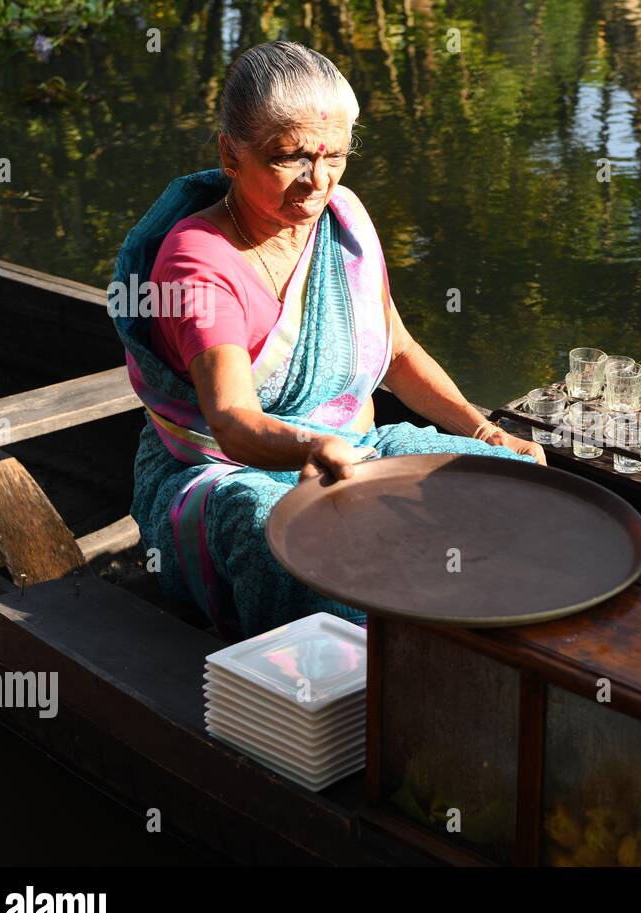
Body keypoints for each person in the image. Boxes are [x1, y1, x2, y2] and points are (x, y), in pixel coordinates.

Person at [111, 40, 544, 637]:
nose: (316, 182)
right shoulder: (198, 262)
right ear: (229, 155)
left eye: (334, 156)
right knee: (296, 545)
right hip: (224, 475)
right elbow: (233, 420)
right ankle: (352, 692)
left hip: (354, 447)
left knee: (513, 485)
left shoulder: (343, 216)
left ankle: (480, 659)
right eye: (287, 158)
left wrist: (484, 429)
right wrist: (312, 451)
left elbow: (395, 351)